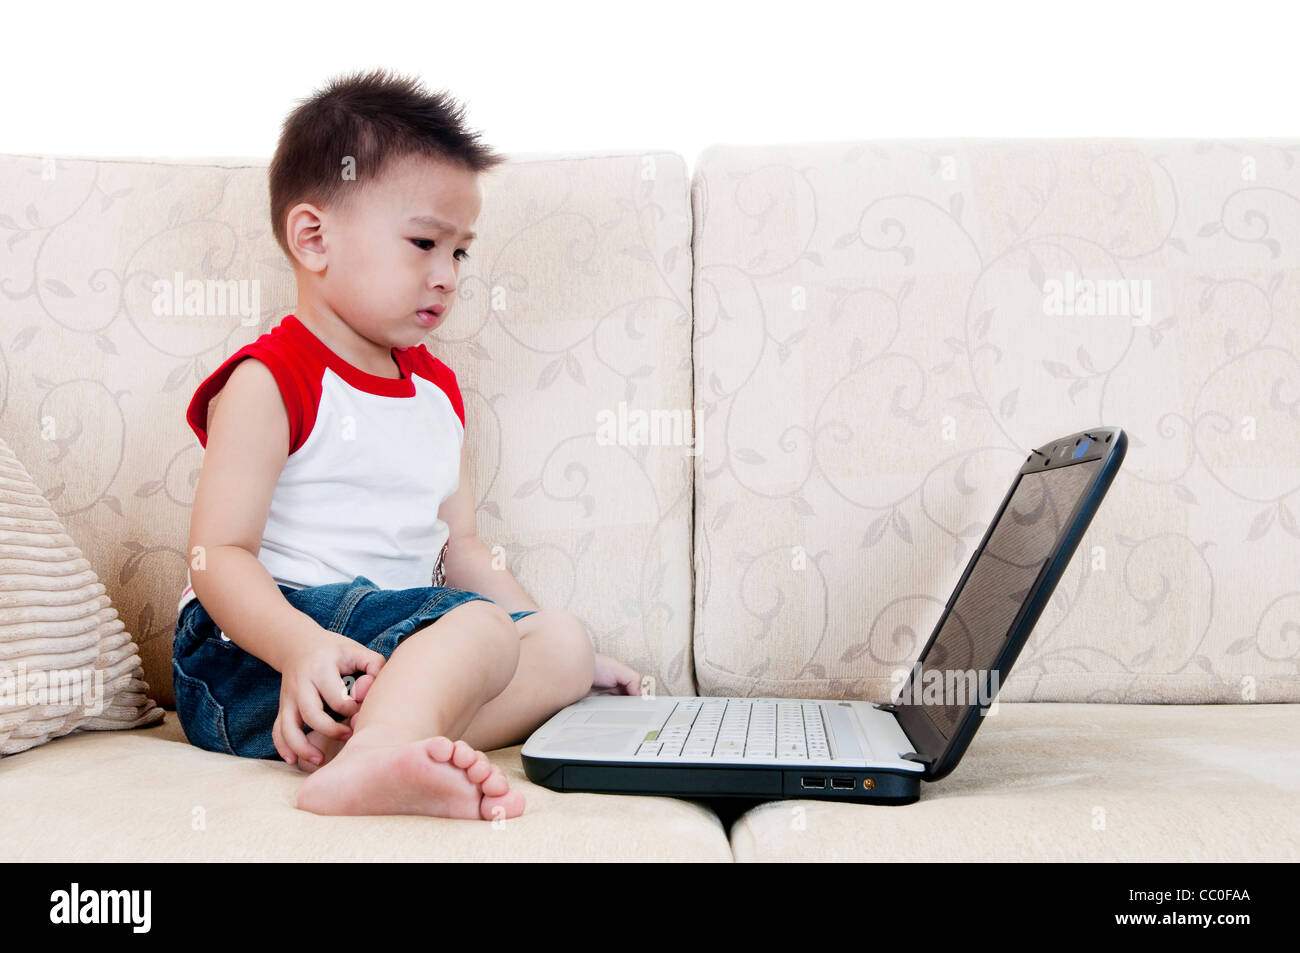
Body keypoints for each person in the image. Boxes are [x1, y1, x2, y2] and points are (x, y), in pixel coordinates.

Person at [172, 68, 641, 821]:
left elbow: (460, 547)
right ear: (314, 238)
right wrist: (298, 648)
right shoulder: (272, 379)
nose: (446, 276)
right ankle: (380, 752)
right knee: (476, 629)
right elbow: (216, 555)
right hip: (255, 656)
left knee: (559, 641)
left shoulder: (438, 392)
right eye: (424, 242)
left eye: (460, 253)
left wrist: (553, 649)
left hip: (387, 649)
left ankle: (371, 743)